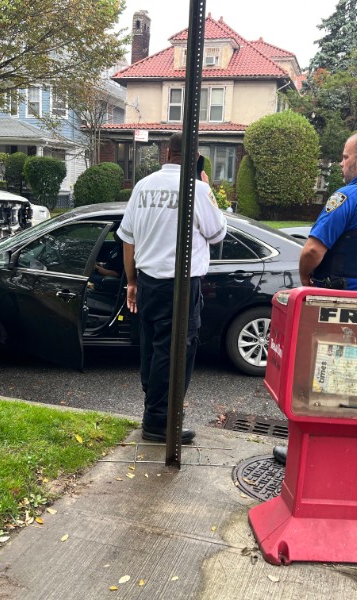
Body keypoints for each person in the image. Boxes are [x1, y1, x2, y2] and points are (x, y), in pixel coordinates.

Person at [274, 131, 357, 465]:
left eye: (346, 157)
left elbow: (313, 249)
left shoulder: (352, 196)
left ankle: (308, 453)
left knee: (318, 380)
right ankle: (345, 454)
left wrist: (306, 280)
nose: (342, 163)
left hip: (338, 306)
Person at [118, 133, 227, 444]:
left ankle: (153, 410)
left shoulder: (142, 186)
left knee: (153, 347)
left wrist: (132, 281)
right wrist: (206, 186)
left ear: (167, 152)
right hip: (181, 285)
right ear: (195, 158)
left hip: (149, 280)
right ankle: (159, 423)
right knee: (177, 352)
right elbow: (217, 233)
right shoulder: (198, 189)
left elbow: (128, 238)